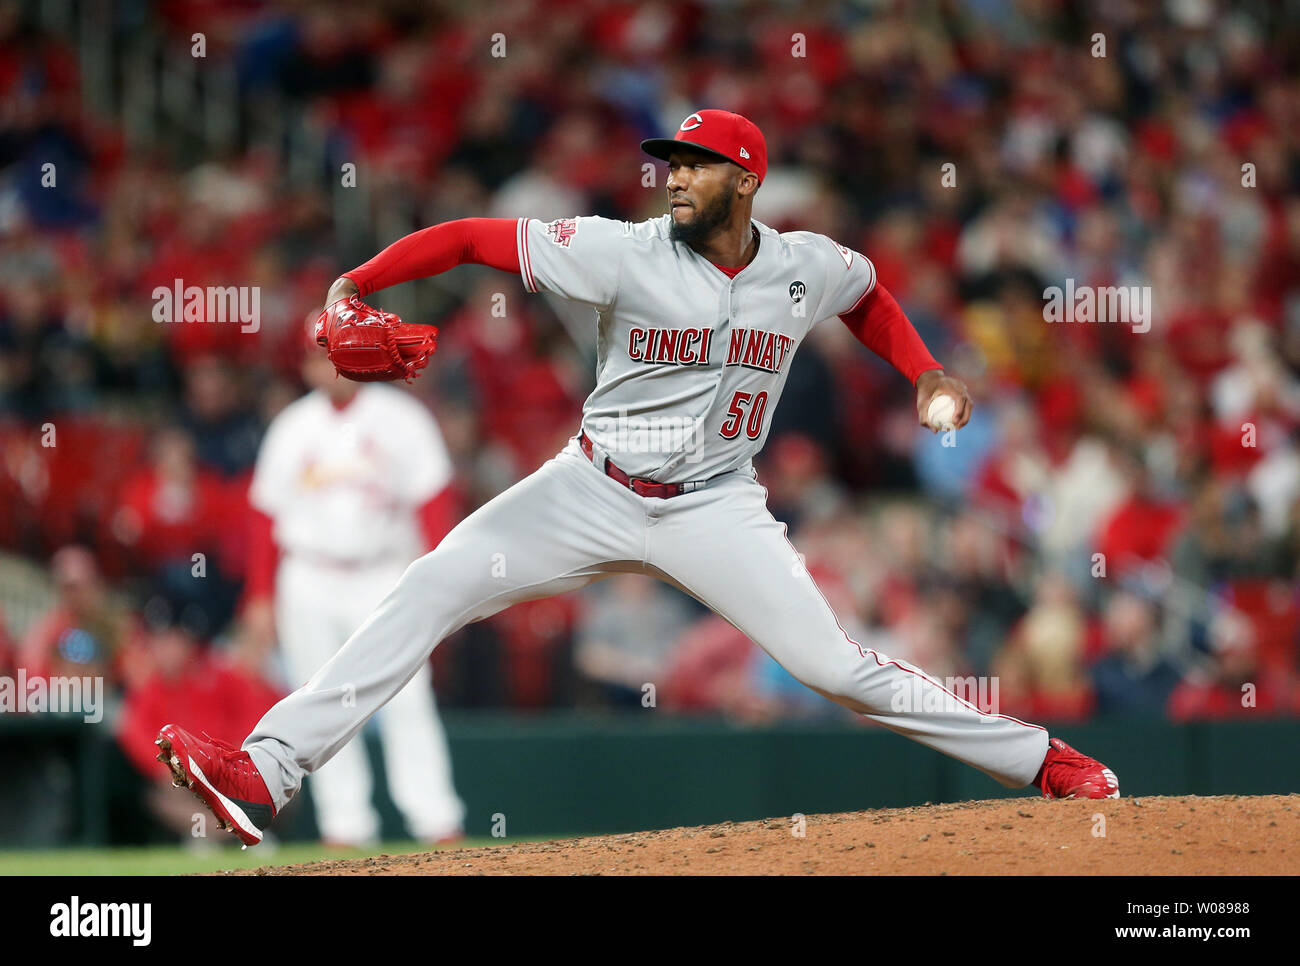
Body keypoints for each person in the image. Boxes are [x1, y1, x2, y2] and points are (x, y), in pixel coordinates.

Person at [156, 110, 1119, 847]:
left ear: (746, 180)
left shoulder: (802, 266)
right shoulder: (621, 247)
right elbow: (464, 238)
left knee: (835, 669)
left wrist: (926, 372)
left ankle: (1044, 759)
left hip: (715, 506)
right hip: (588, 489)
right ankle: (266, 772)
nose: (677, 176)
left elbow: (865, 296)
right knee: (430, 585)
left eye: (698, 164)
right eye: (674, 161)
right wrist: (355, 284)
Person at [229, 328, 466, 845]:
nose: (326, 366)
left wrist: (442, 579)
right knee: (320, 701)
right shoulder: (291, 427)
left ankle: (436, 819)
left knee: (408, 696)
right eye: (317, 356)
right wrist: (261, 597)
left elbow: (434, 502)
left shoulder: (403, 419)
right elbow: (263, 518)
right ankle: (345, 825)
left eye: (335, 353)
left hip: (385, 573)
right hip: (309, 577)